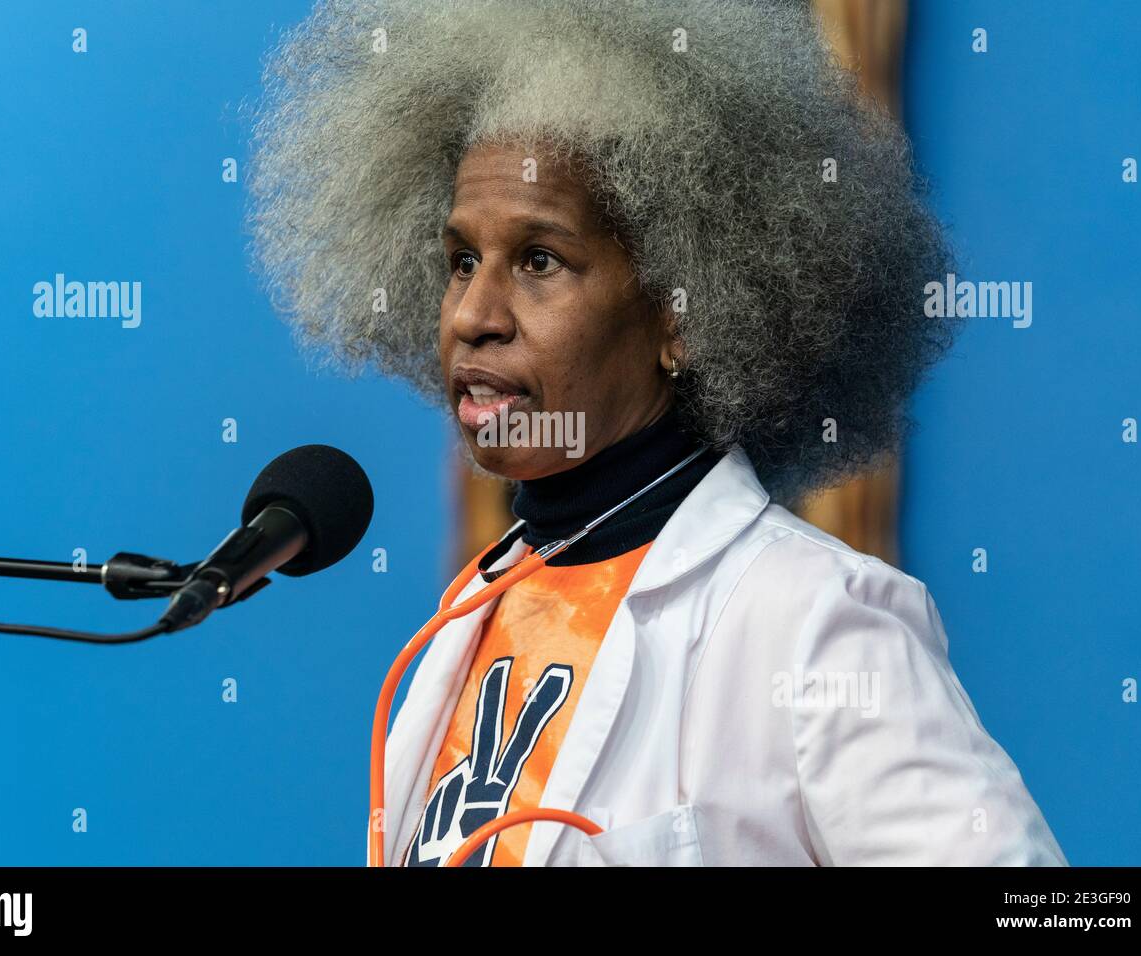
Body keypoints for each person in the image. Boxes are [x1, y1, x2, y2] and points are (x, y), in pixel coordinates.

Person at [248, 0, 1067, 866]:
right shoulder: (472, 610)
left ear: (684, 315)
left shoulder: (811, 620)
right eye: (461, 261)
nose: (474, 315)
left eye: (539, 261)